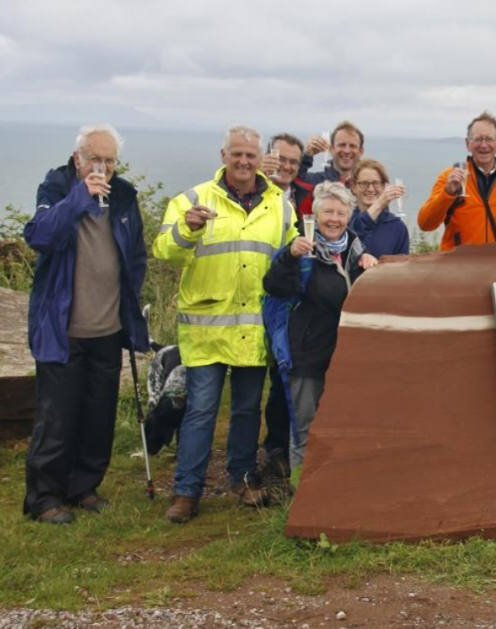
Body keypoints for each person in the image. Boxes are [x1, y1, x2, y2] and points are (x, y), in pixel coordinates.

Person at [153, 125, 298, 524]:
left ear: (259, 157)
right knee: (200, 410)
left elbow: (289, 260)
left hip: (254, 330)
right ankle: (187, 491)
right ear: (223, 155)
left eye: (250, 155)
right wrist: (188, 228)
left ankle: (242, 479)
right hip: (206, 329)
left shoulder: (281, 205)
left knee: (248, 411)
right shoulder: (192, 199)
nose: (243, 161)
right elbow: (164, 250)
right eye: (236, 154)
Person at [22, 124, 149, 524]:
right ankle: (43, 497)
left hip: (108, 327)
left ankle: (83, 487)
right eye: (95, 159)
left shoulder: (125, 194)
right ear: (78, 159)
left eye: (110, 160)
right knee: (58, 416)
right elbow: (39, 235)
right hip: (63, 328)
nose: (103, 168)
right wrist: (80, 197)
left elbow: (137, 255)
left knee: (98, 416)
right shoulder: (57, 187)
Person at [262, 182, 377, 467]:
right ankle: (301, 496)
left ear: (349, 217)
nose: (334, 219)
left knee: (341, 427)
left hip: (347, 359)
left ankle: (333, 492)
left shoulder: (356, 251)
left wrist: (373, 266)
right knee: (305, 430)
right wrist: (289, 257)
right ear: (313, 214)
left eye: (340, 213)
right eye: (328, 211)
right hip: (307, 357)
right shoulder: (300, 249)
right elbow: (273, 286)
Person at [259, 133, 313, 481]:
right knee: (256, 384)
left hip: (290, 300)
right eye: (282, 160)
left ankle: (279, 450)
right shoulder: (254, 190)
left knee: (284, 381)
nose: (288, 167)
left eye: (295, 161)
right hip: (255, 296)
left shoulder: (305, 194)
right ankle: (263, 455)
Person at [417, 111, 496, 250]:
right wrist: (448, 193)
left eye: (489, 139)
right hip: (458, 264)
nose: (483, 145)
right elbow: (425, 223)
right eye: (477, 139)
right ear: (467, 144)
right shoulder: (449, 177)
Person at [348, 158, 410, 257]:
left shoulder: (397, 227)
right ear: (354, 187)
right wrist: (379, 204)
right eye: (364, 183)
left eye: (376, 183)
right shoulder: (344, 220)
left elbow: (401, 267)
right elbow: (351, 238)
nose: (371, 189)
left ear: (384, 187)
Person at [298, 121, 365, 186]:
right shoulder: (315, 182)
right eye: (342, 145)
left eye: (352, 146)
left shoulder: (368, 186)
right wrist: (307, 156)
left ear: (361, 151)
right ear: (331, 149)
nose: (346, 151)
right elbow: (292, 178)